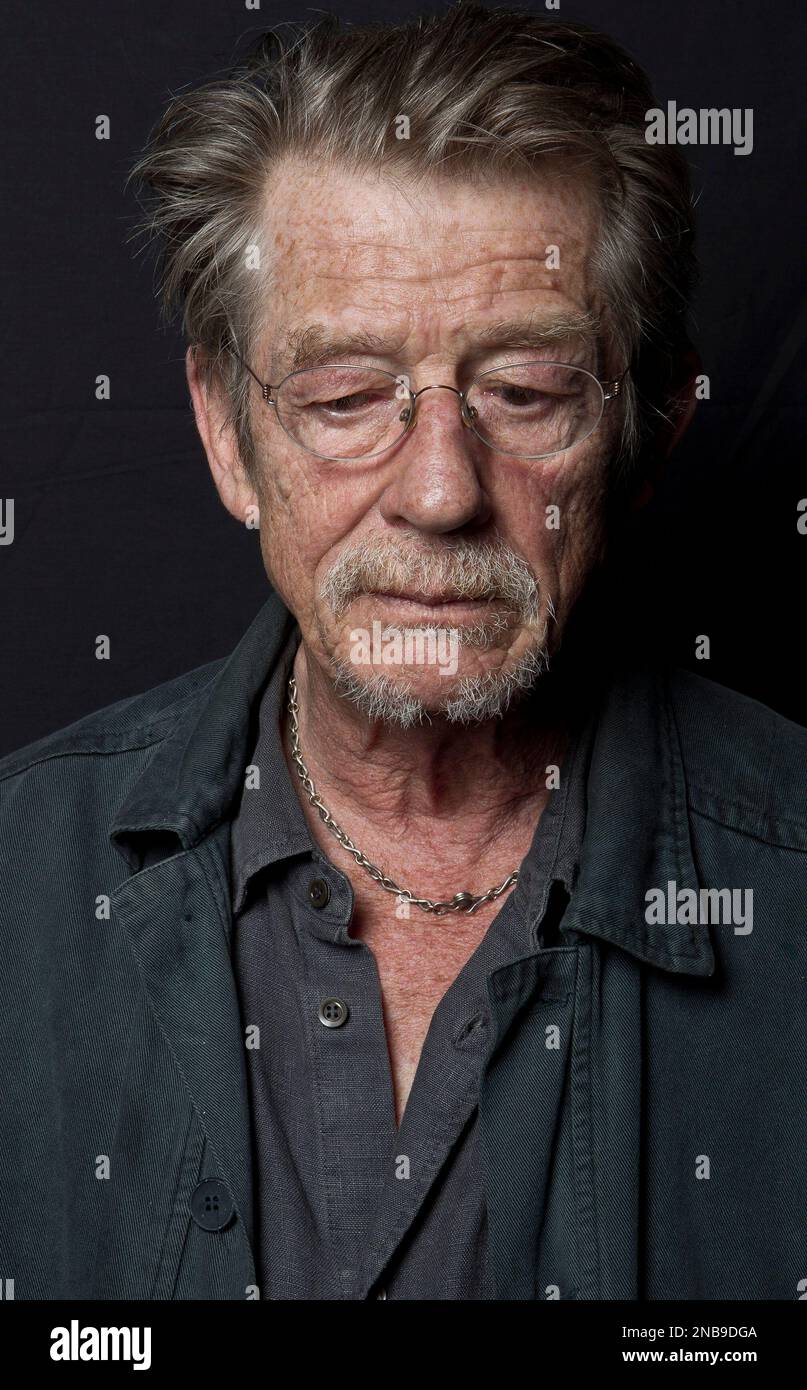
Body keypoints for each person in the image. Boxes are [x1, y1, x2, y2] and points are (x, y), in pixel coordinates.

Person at [1, 3, 804, 1301]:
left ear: (652, 429)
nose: (439, 490)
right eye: (344, 398)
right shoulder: (17, 892)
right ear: (226, 433)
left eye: (528, 394)